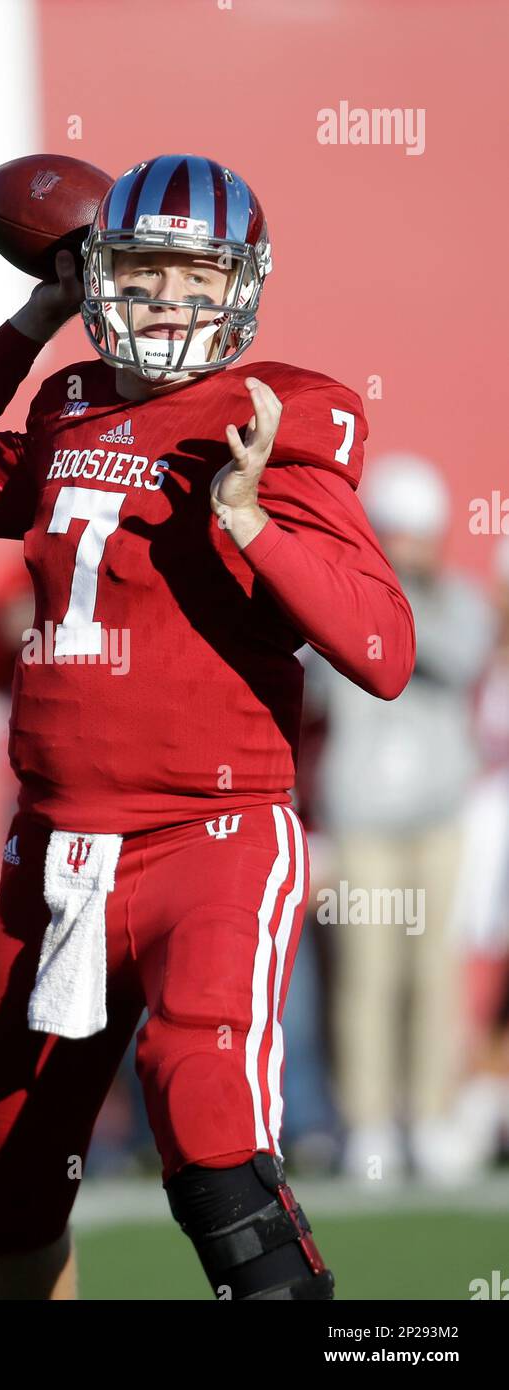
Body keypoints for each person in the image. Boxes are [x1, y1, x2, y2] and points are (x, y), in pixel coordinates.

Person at [0, 154, 415, 1300]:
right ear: (97, 274)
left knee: (206, 1118)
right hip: (57, 848)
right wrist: (29, 320)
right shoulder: (69, 402)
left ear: (242, 290)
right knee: (5, 1176)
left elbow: (381, 651)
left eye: (193, 278)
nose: (168, 302)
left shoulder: (278, 414)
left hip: (207, 838)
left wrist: (253, 523)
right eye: (142, 274)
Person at [305, 455, 494, 1183]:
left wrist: (397, 599)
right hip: (362, 820)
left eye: (418, 534)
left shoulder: (459, 604)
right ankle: (371, 1124)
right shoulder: (339, 596)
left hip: (438, 818)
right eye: (394, 534)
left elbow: (458, 657)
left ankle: (429, 1117)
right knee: (366, 976)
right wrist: (352, 594)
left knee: (432, 974)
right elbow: (319, 672)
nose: (407, 547)